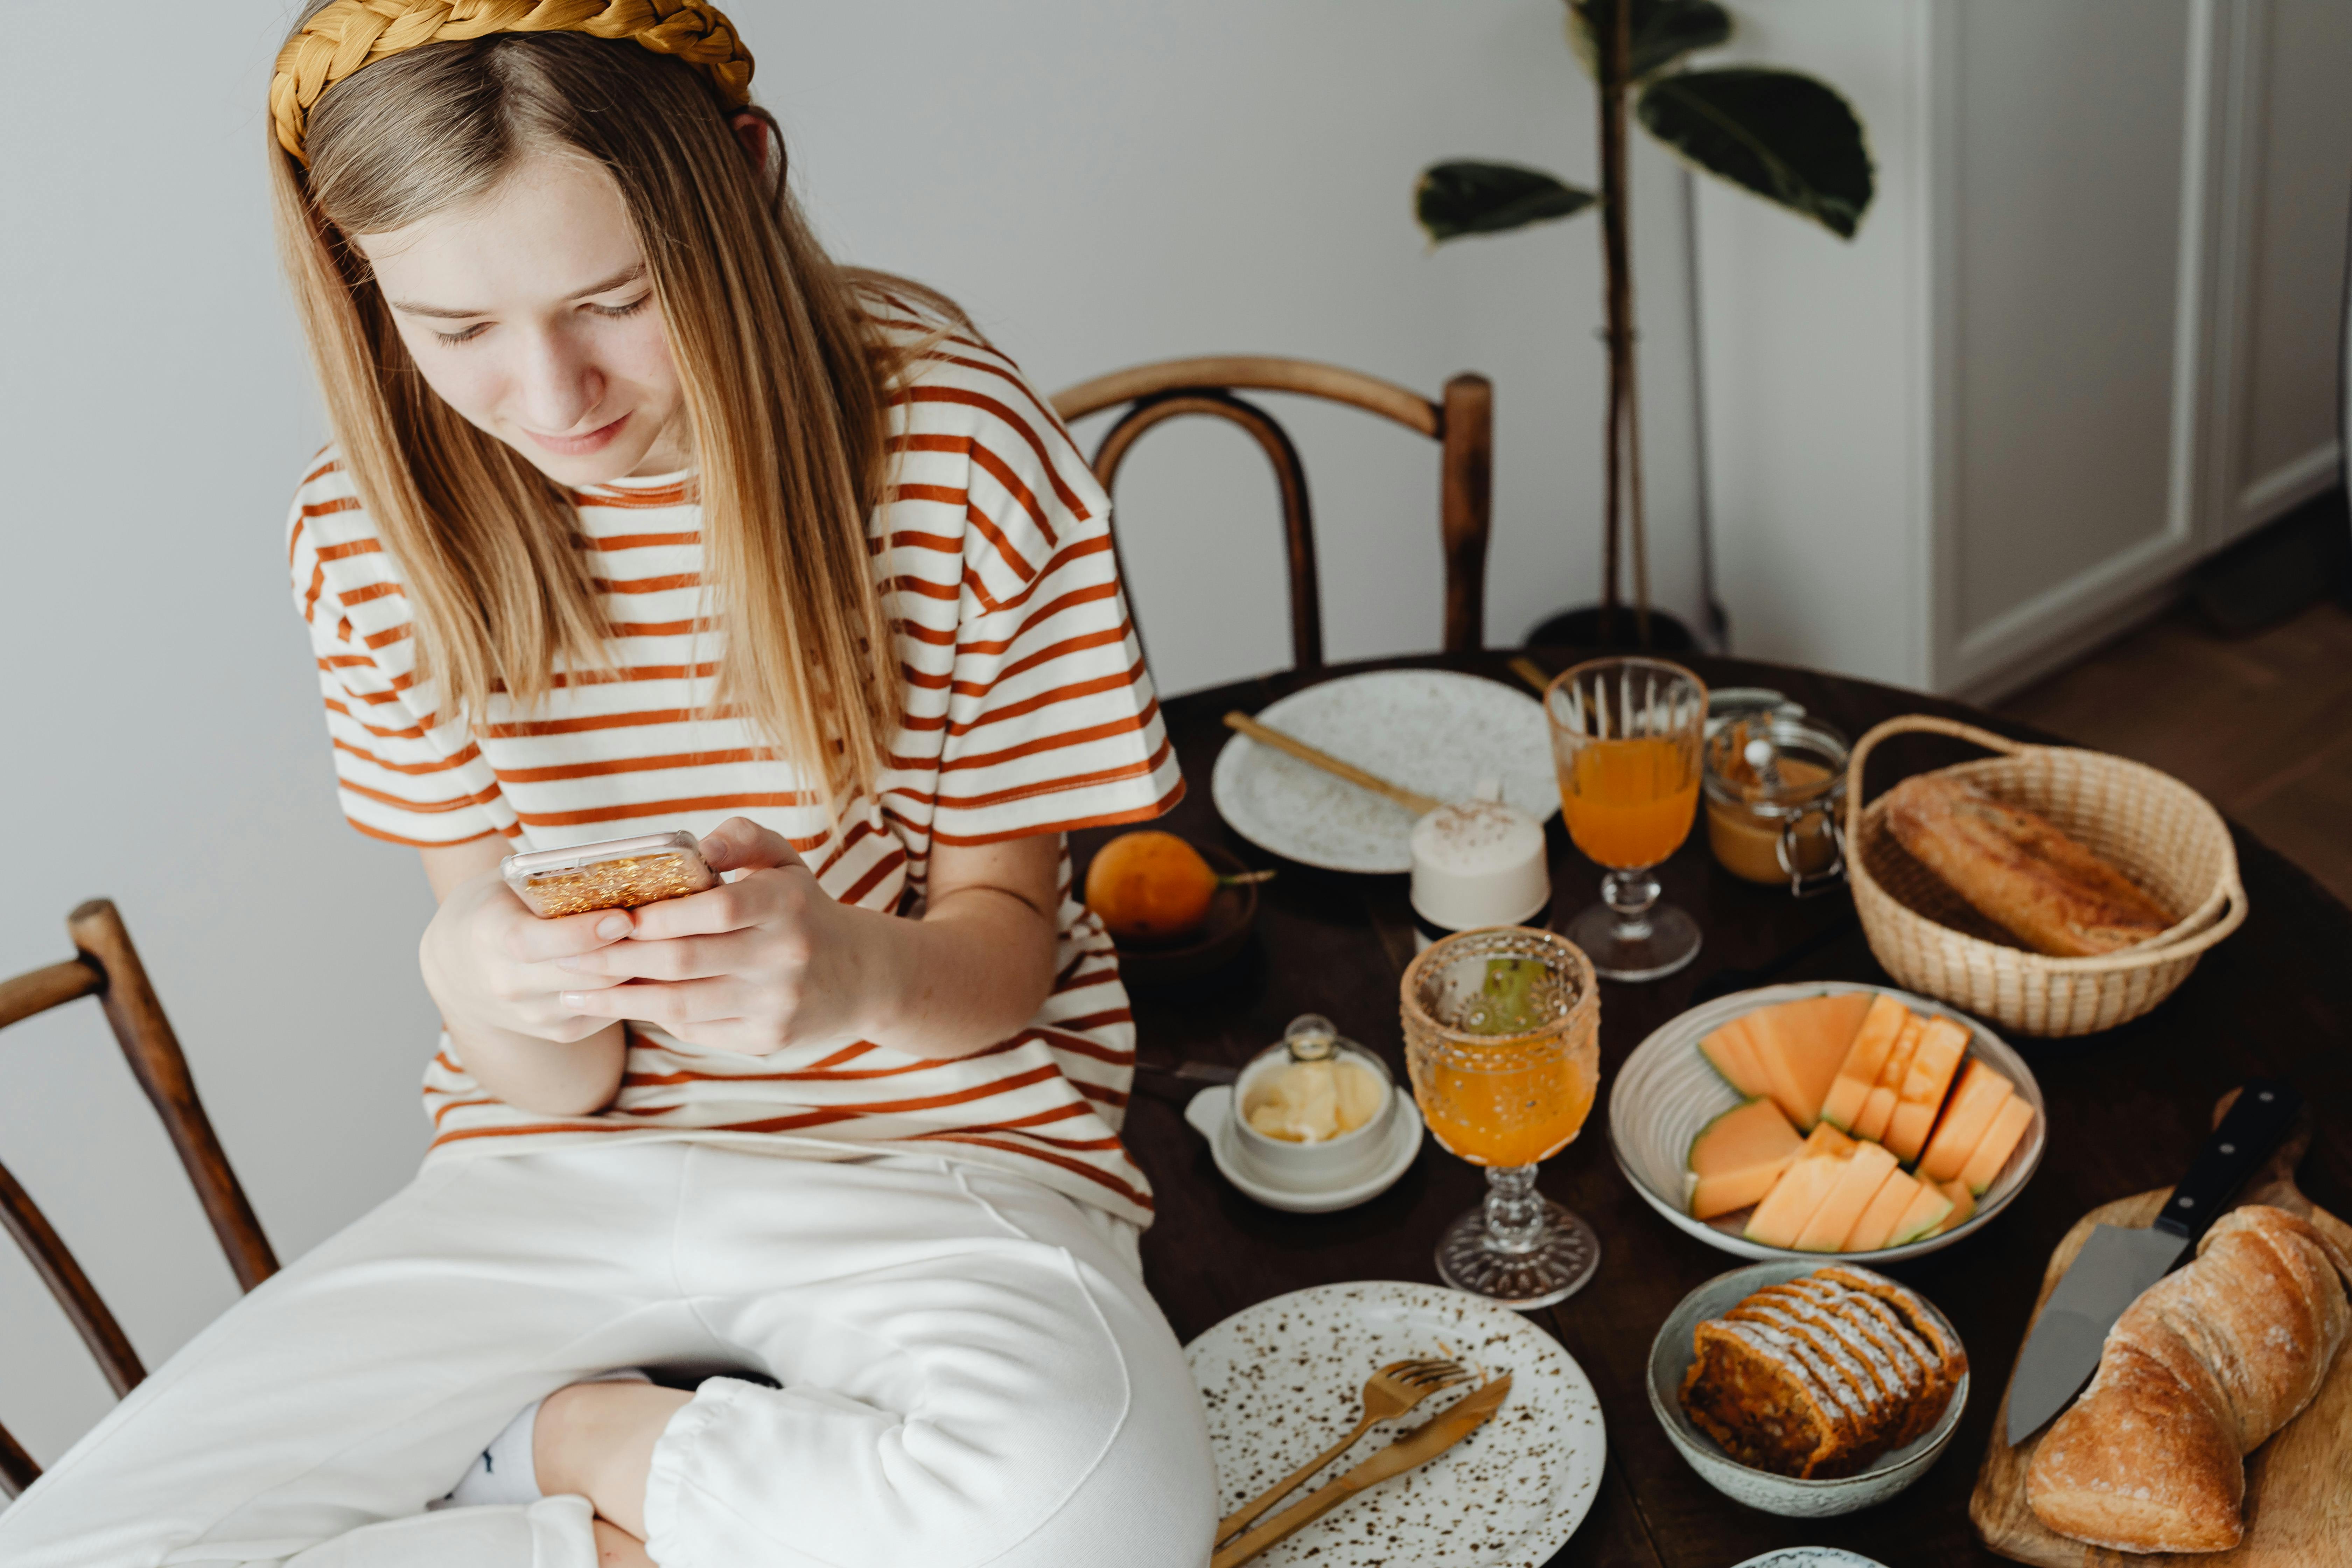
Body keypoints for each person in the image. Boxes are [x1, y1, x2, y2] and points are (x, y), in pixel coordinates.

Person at [0, 3, 1216, 1563]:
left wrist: (851, 970)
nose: (554, 395)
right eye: (457, 331)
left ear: (746, 179)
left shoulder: (959, 449)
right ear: (360, 283)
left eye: (617, 301)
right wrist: (479, 969)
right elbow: (552, 1083)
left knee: (1097, 1515)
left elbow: (1005, 957)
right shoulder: (367, 536)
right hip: (549, 1180)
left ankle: (573, 1447)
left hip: (933, 1156)